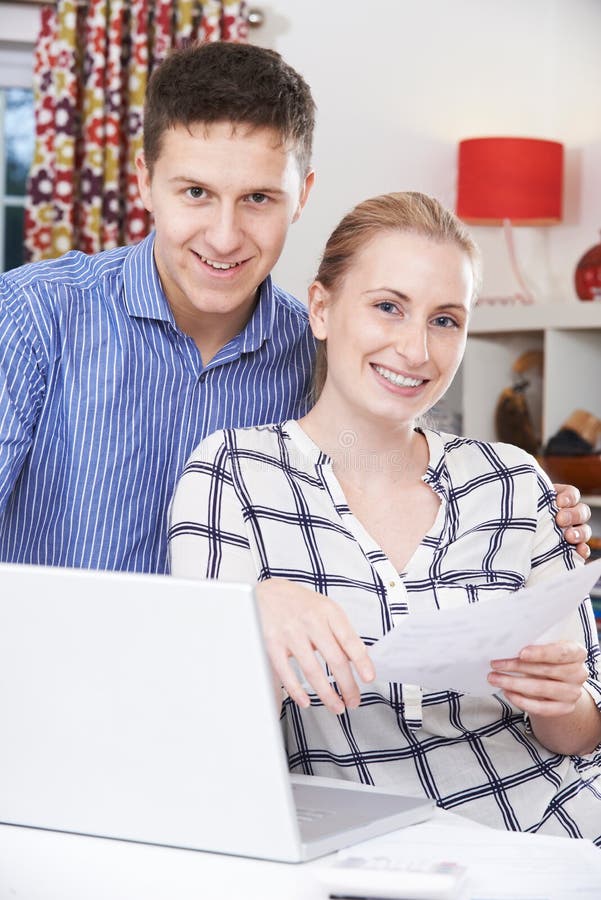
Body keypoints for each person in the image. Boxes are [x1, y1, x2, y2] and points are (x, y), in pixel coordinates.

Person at [0, 43, 589, 572]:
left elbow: (383, 462)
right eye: (196, 193)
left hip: (241, 688)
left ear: (302, 194)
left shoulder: (318, 347)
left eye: (259, 198)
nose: (225, 236)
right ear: (144, 180)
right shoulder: (36, 317)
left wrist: (523, 512)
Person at [168, 192, 601, 842]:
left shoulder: (512, 479)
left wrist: (563, 699)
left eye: (444, 320)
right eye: (387, 307)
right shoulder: (233, 474)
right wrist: (254, 611)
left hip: (560, 832)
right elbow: (208, 731)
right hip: (368, 852)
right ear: (320, 309)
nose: (415, 349)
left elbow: (581, 733)